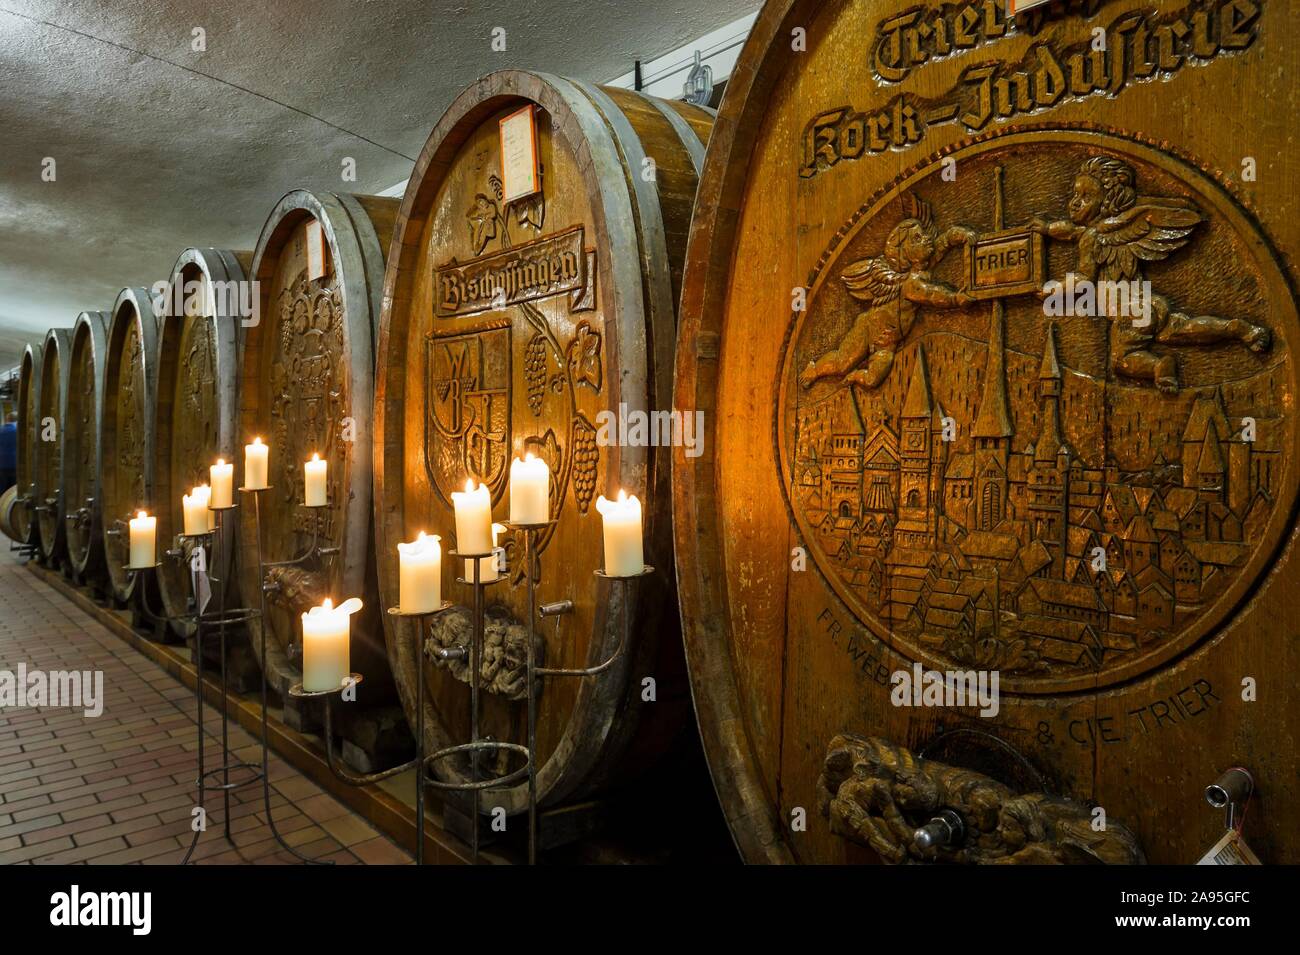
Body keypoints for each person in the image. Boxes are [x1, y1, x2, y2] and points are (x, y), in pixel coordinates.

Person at [0, 411, 17, 494]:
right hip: (15, 465)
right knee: (14, 490)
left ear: (7, 419)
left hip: (2, 465)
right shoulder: (18, 430)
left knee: (2, 490)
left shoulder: (1, 430)